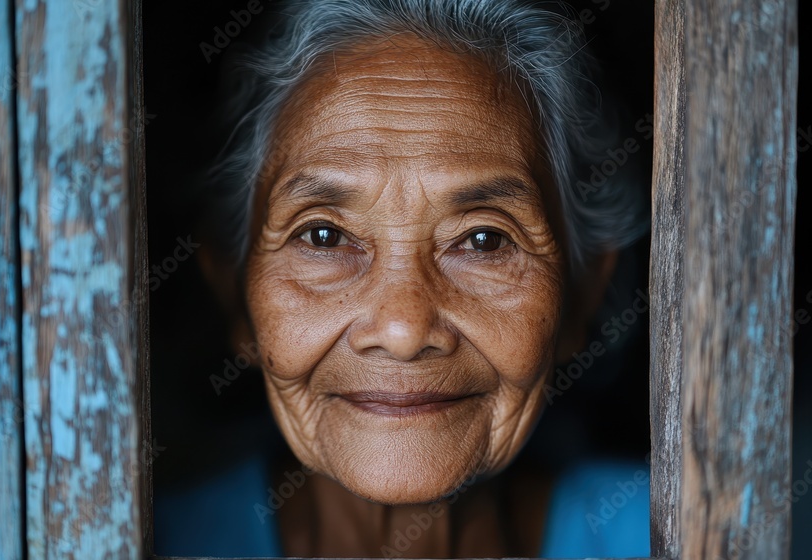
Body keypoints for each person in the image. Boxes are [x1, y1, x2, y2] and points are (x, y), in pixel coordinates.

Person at [157, 0, 649, 556]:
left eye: (484, 240)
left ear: (580, 296)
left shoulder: (693, 529)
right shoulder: (129, 539)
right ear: (237, 296)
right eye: (324, 236)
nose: (403, 330)